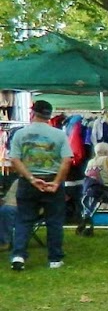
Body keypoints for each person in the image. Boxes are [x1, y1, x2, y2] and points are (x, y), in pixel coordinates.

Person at [9, 99, 71, 271]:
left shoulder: (20, 134)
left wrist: (30, 178)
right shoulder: (60, 135)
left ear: (33, 112)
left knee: (24, 219)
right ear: (49, 115)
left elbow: (14, 159)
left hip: (28, 183)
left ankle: (18, 255)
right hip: (52, 178)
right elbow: (67, 161)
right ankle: (54, 259)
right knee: (54, 221)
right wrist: (57, 182)